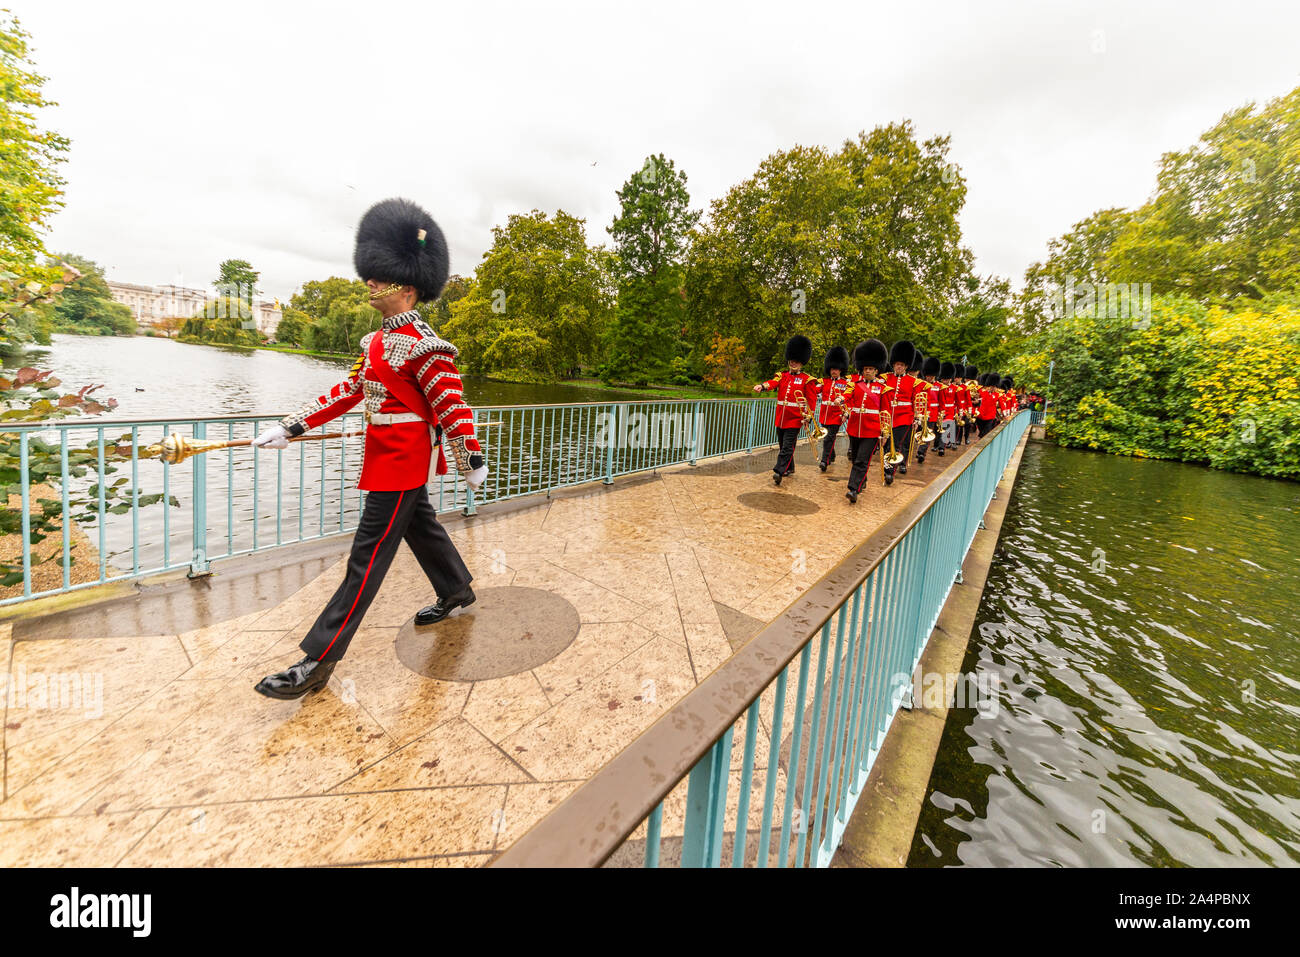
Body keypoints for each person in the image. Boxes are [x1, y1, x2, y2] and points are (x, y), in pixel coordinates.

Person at [249, 198, 488, 700]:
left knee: (367, 557)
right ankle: (456, 589)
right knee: (420, 527)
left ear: (406, 285)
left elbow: (452, 405)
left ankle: (318, 659)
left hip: (402, 461)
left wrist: (470, 460)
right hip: (382, 453)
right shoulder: (375, 343)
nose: (370, 283)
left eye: (379, 277)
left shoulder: (427, 344)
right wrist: (292, 427)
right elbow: (349, 392)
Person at [753, 335, 817, 486]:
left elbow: (811, 401)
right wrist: (762, 386)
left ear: (801, 363)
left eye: (796, 361)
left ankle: (779, 471)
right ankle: (790, 467)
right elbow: (773, 383)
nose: (793, 364)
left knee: (788, 446)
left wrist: (808, 417)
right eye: (791, 361)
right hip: (781, 417)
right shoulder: (782, 376)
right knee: (783, 445)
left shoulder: (807, 380)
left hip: (795, 419)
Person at [838, 339, 894, 501]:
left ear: (876, 370)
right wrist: (841, 399)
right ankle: (862, 481)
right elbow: (847, 395)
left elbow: (885, 412)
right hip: (855, 427)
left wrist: (885, 433)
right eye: (865, 368)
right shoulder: (855, 385)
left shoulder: (884, 389)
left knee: (862, 460)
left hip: (872, 430)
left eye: (870, 369)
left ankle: (853, 489)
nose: (867, 371)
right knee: (855, 458)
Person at [884, 340, 920, 475]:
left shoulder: (913, 382)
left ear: (906, 367)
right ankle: (887, 467)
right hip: (888, 416)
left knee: (896, 443)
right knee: (887, 444)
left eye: (902, 365)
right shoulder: (886, 378)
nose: (899, 367)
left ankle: (890, 471)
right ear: (893, 365)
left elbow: (915, 401)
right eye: (897, 364)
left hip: (904, 417)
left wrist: (917, 418)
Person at [816, 345, 850, 472]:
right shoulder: (824, 381)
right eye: (832, 369)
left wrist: (845, 414)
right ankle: (832, 455)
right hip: (824, 414)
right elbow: (814, 391)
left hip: (836, 415)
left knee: (829, 437)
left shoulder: (846, 383)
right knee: (828, 437)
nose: (834, 371)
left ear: (841, 369)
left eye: (836, 369)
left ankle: (824, 461)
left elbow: (849, 399)